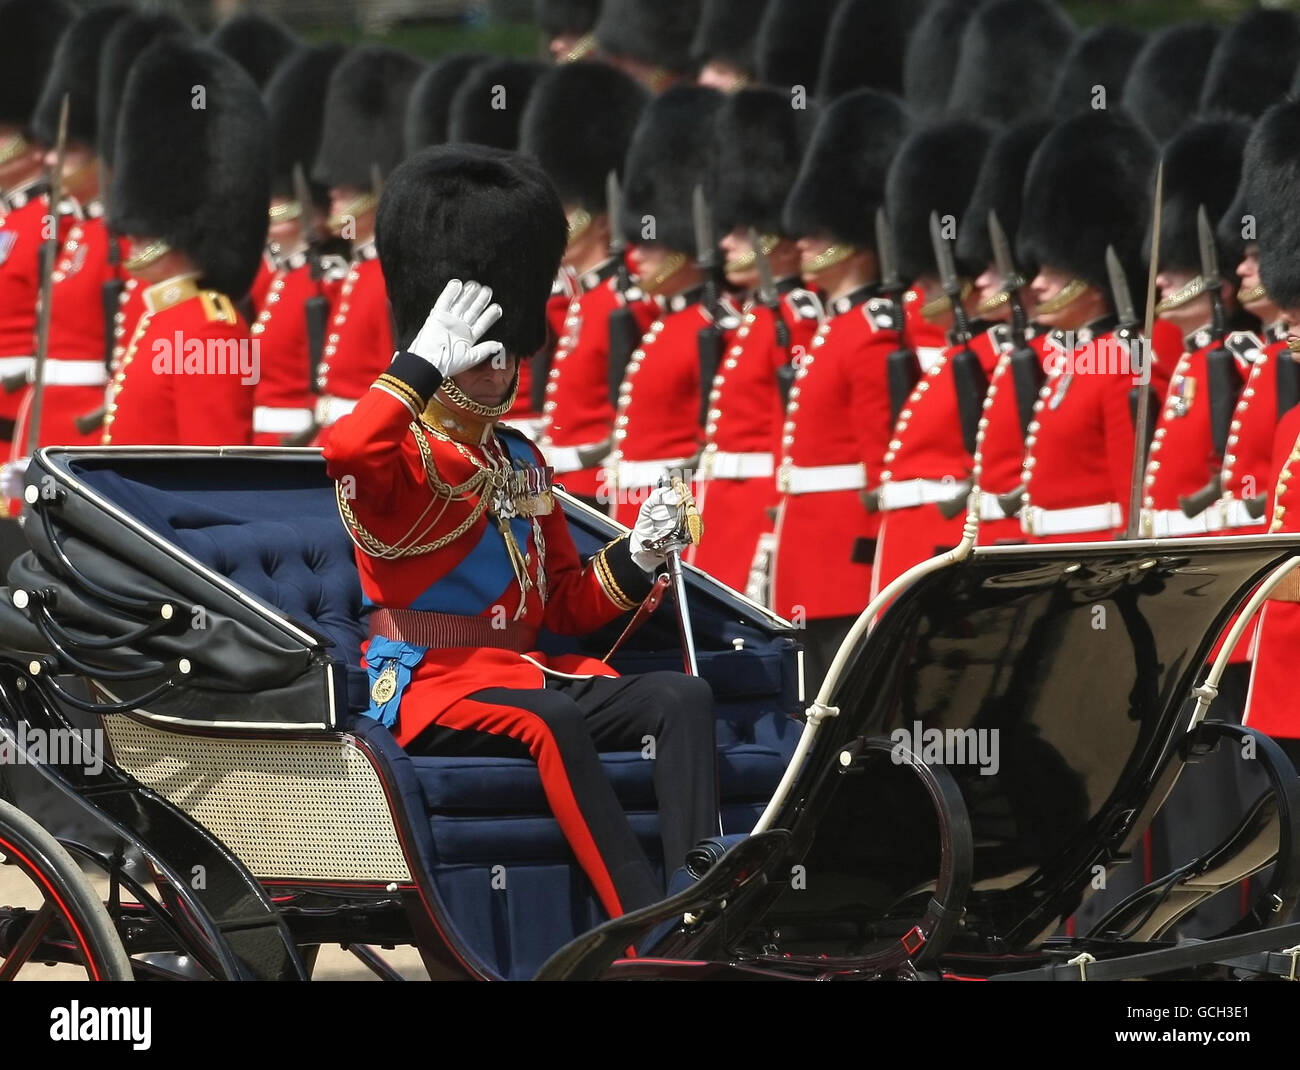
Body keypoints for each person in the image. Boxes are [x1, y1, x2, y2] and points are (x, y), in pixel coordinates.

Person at [323, 145, 718, 919]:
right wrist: (418, 366)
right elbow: (345, 447)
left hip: (522, 666)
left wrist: (638, 557)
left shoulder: (519, 455)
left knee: (683, 695)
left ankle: (697, 891)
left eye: (507, 351)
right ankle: (642, 922)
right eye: (481, 352)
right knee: (553, 718)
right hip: (432, 683)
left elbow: (563, 607)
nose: (499, 366)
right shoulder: (402, 454)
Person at [101, 38, 266, 446]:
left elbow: (210, 472)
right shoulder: (162, 317)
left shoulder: (210, 331)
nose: (133, 233)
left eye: (150, 224)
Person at [518, 60, 652, 505]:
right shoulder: (580, 296)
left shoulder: (627, 296)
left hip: (603, 489)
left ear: (600, 218)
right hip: (563, 489)